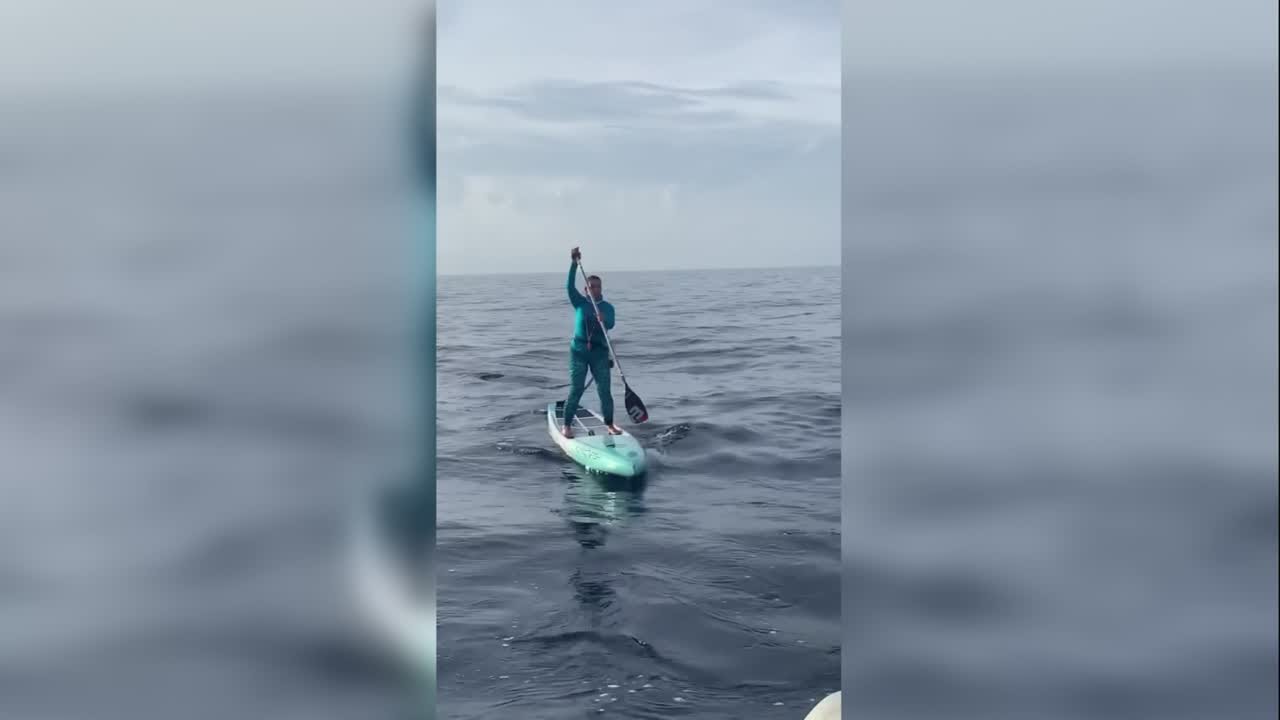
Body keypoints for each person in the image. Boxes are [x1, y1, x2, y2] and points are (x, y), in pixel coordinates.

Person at [561, 247, 622, 438]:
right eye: (592, 286)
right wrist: (573, 264)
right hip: (578, 351)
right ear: (586, 289)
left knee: (604, 391)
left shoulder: (608, 308)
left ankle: (610, 424)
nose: (595, 288)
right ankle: (567, 425)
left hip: (599, 353)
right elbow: (569, 287)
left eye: (598, 286)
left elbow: (611, 324)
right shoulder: (580, 303)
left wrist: (604, 319)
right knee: (577, 388)